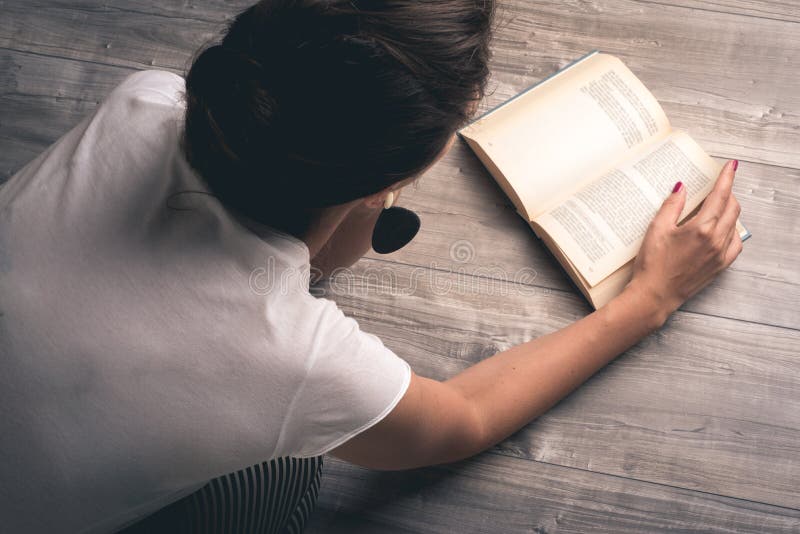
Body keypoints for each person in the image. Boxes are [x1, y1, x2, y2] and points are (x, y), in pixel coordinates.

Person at [0, 0, 743, 532]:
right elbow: (463, 420)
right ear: (388, 179)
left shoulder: (146, 100)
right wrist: (646, 299)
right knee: (288, 476)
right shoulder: (296, 361)